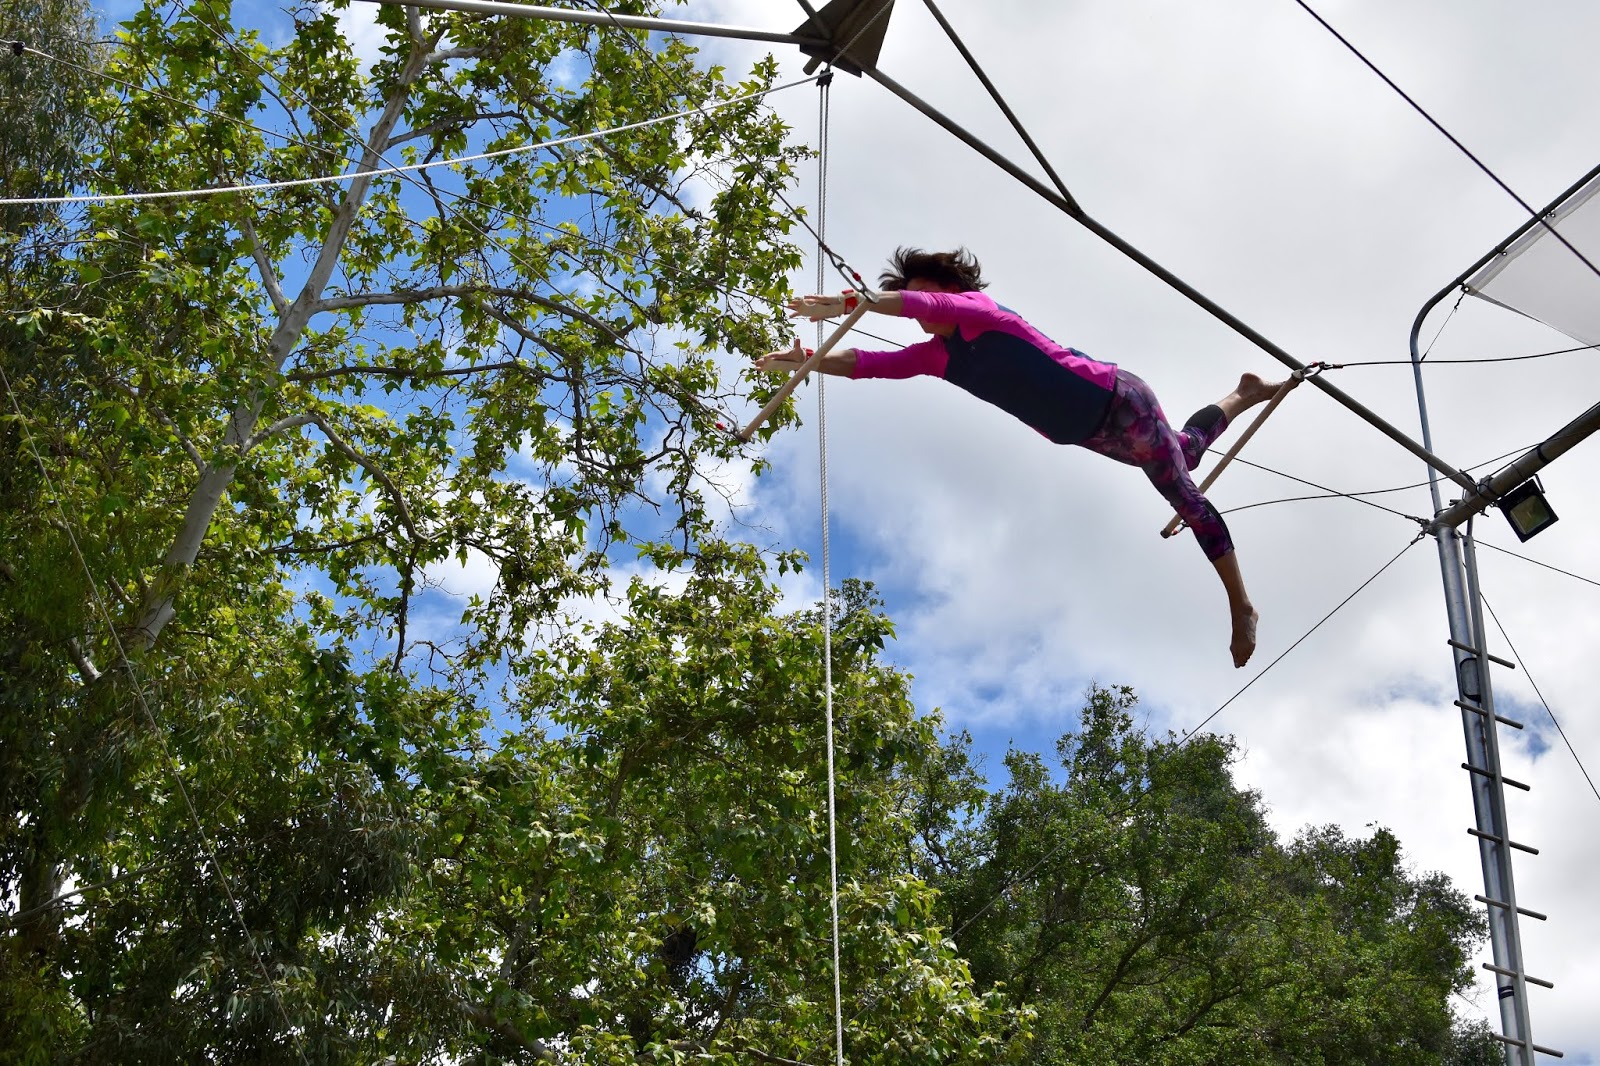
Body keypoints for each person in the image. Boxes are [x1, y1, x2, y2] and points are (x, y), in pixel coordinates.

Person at [757, 247, 1291, 668]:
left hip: (1115, 398)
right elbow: (875, 363)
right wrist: (808, 360)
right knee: (1184, 455)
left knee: (1183, 493)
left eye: (921, 294)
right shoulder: (939, 356)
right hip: (1085, 430)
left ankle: (1240, 605)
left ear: (949, 290)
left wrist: (854, 303)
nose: (915, 311)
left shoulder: (980, 311)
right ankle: (1242, 393)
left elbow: (925, 306)